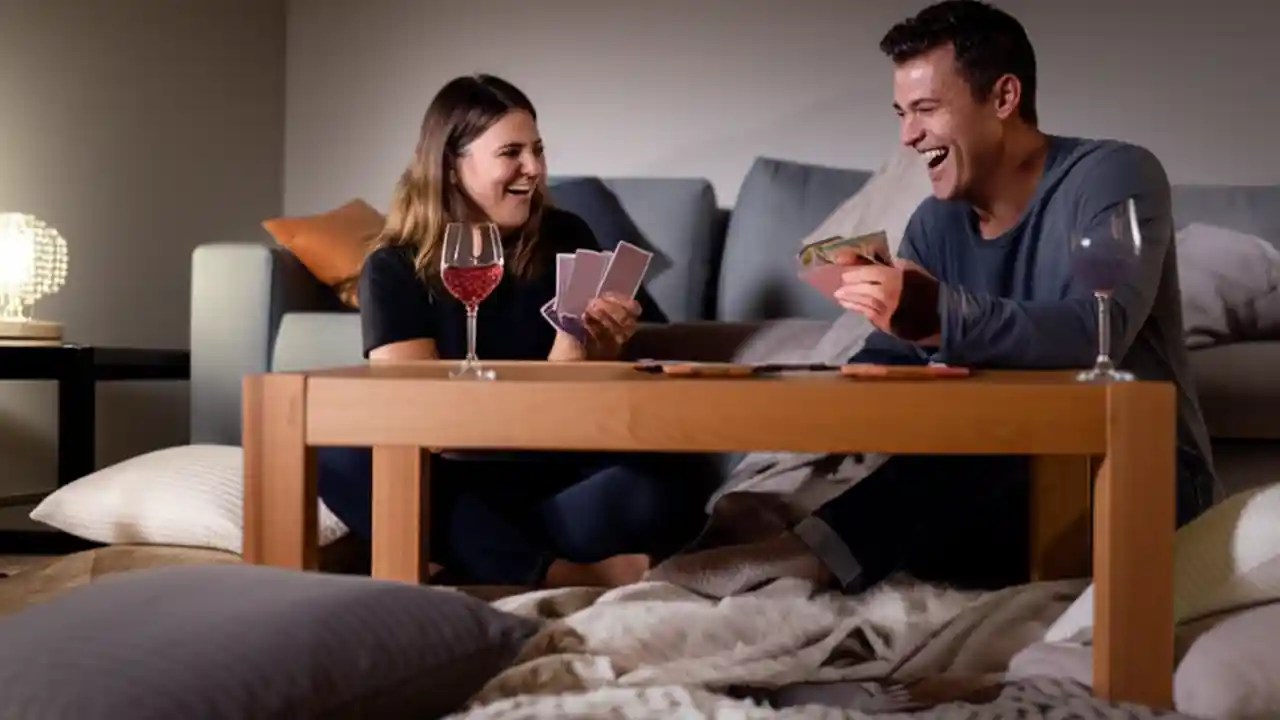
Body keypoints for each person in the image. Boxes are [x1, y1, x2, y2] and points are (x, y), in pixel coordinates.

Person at [649, 0, 1219, 597]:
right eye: (901, 112)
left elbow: (1099, 331)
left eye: (926, 109)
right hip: (988, 473)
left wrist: (938, 315)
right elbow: (892, 360)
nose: (908, 135)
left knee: (992, 443)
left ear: (1003, 98)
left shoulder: (1113, 174)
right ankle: (800, 538)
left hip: (1137, 473)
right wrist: (835, 377)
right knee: (941, 452)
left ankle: (805, 554)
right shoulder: (934, 221)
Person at [318, 74, 714, 588]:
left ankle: (470, 555)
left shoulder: (566, 235)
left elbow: (583, 412)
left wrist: (599, 345)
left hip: (553, 471)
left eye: (538, 150)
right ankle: (556, 572)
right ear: (452, 168)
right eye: (512, 153)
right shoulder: (394, 267)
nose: (535, 169)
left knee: (663, 482)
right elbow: (415, 420)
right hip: (454, 483)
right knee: (339, 457)